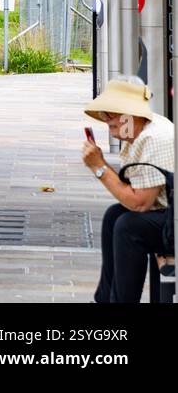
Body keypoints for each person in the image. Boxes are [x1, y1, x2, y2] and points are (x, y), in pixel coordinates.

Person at [82, 80, 174, 303]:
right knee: (114, 216)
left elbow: (139, 203)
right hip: (169, 213)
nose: (106, 120)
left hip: (174, 221)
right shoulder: (139, 134)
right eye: (105, 115)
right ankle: (105, 299)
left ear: (130, 115)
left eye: (111, 114)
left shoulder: (153, 138)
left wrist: (99, 167)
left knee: (128, 227)